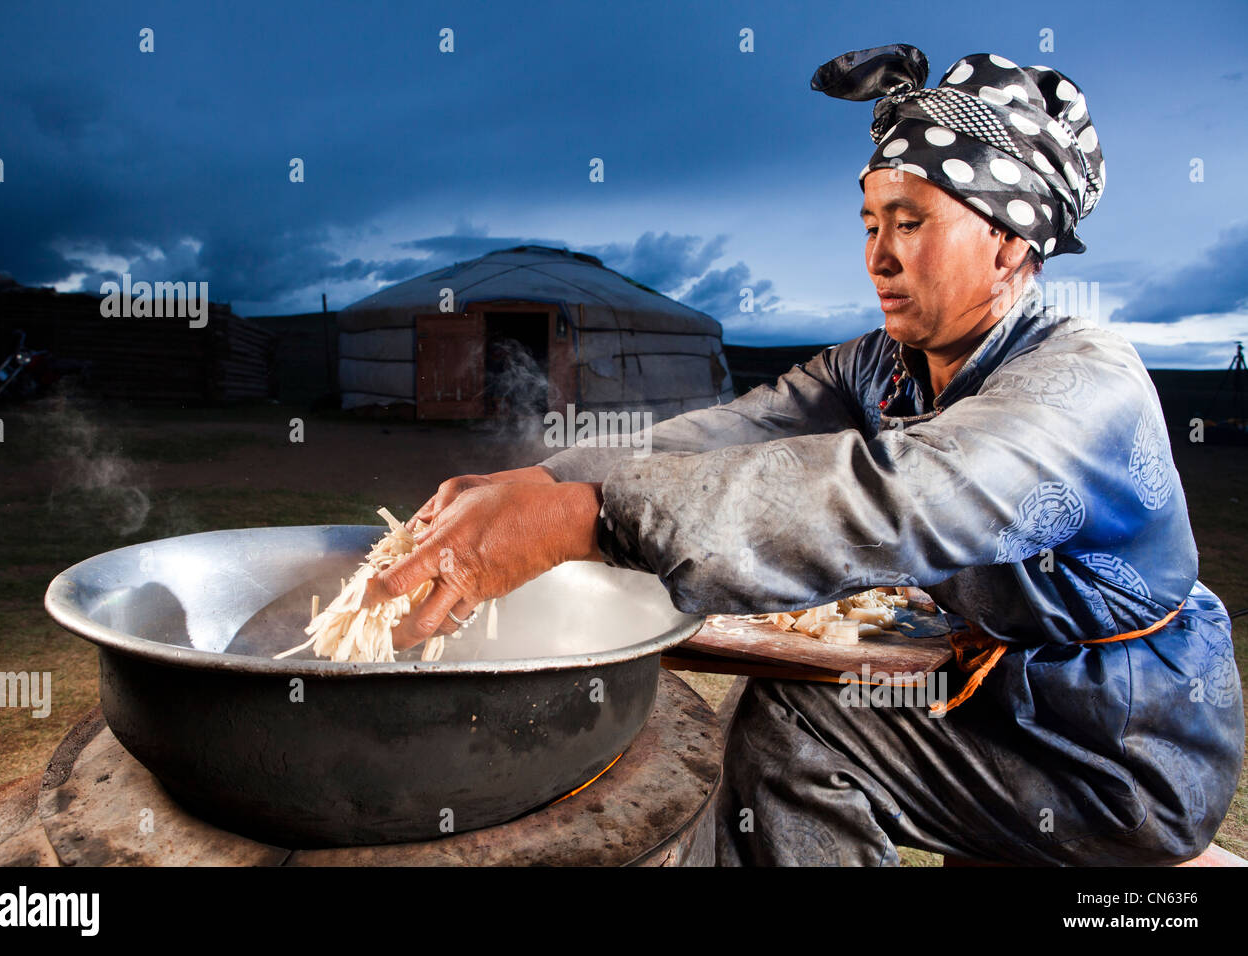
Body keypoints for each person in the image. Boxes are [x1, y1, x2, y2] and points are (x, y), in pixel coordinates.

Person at [373, 45, 1244, 866]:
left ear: (1009, 243)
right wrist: (540, 482)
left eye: (912, 222)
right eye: (870, 222)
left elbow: (909, 495)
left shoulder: (1083, 385)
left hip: (1117, 751)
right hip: (997, 703)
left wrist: (591, 520)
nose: (880, 254)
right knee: (792, 708)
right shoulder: (882, 365)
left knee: (803, 727)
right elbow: (736, 431)